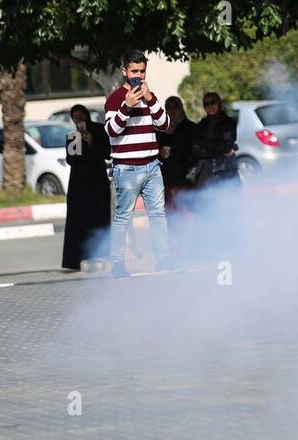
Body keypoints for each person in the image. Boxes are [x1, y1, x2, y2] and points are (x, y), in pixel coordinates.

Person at [103, 50, 172, 278]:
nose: (139, 76)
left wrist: (150, 99)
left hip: (152, 165)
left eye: (142, 71)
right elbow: (111, 130)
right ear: (124, 71)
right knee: (124, 217)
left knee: (158, 214)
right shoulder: (115, 99)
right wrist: (127, 106)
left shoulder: (149, 95)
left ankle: (163, 260)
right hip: (127, 167)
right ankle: (117, 265)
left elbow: (164, 125)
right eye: (134, 71)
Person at [60, 104, 111, 271]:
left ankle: (101, 252)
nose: (79, 119)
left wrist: (91, 141)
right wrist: (78, 141)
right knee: (78, 217)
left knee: (99, 214)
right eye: (76, 116)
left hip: (97, 179)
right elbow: (72, 160)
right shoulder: (73, 135)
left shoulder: (98, 129)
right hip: (79, 182)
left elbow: (107, 152)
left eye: (82, 115)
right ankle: (76, 258)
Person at [159, 96, 196, 255]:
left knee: (187, 217)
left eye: (175, 107)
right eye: (169, 108)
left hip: (185, 180)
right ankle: (176, 251)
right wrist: (161, 152)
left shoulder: (190, 127)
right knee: (171, 218)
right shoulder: (162, 130)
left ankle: (189, 250)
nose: (172, 111)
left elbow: (195, 153)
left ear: (181, 109)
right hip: (167, 180)